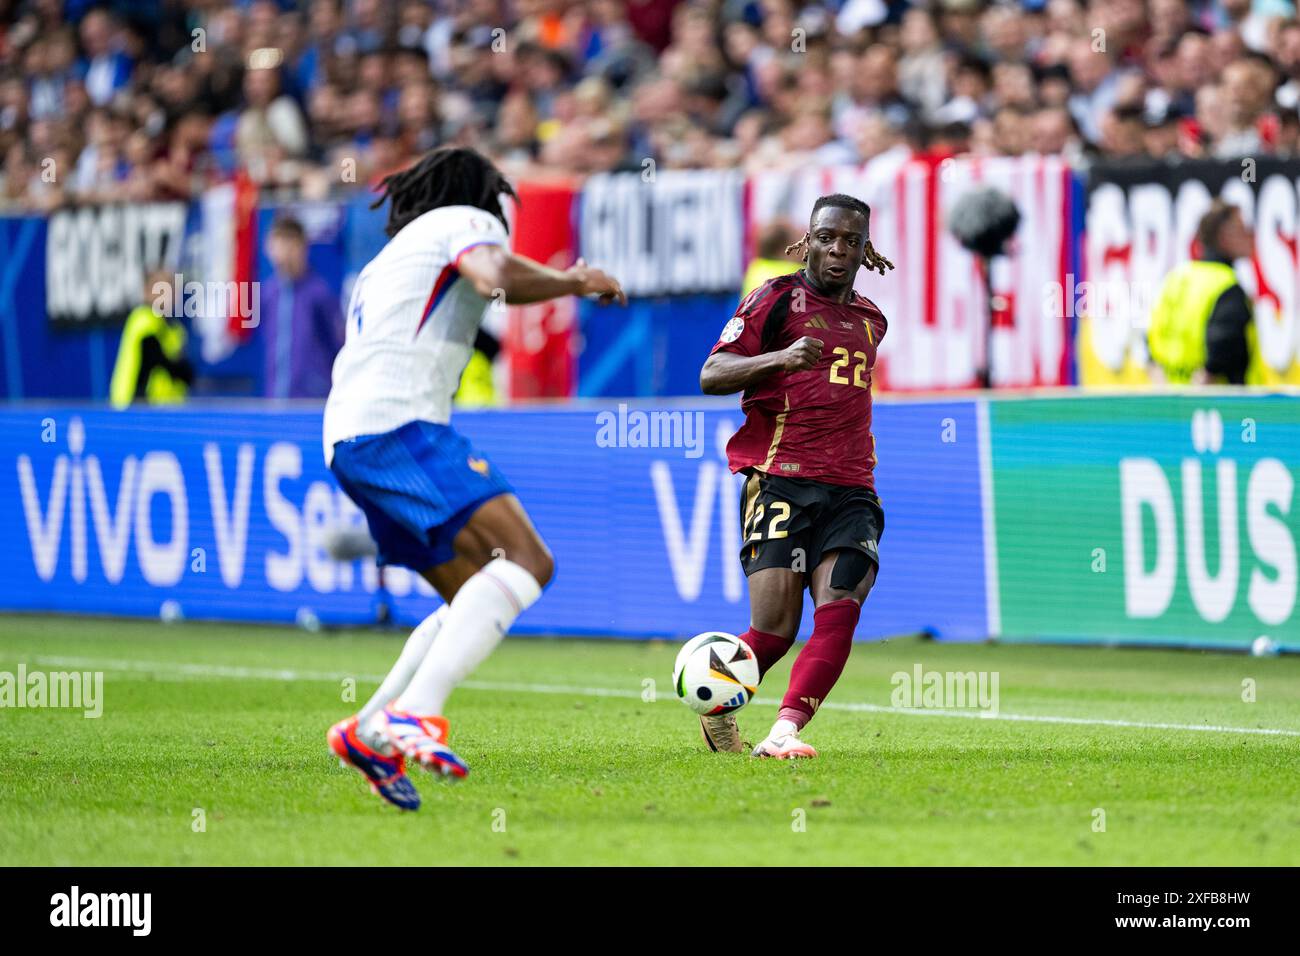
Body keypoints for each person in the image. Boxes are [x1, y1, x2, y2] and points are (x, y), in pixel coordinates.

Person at [324, 146, 624, 809]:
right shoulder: (465, 220)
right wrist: (573, 280)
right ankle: (416, 715)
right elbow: (493, 276)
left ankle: (371, 728)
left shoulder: (390, 257)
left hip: (352, 435)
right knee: (529, 560)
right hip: (398, 427)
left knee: (471, 595)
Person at [698, 193, 893, 759]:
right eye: (827, 236)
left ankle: (784, 732)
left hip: (853, 487)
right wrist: (778, 359)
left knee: (841, 603)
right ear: (808, 240)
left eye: (851, 241)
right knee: (775, 630)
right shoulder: (775, 299)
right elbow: (713, 373)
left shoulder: (872, 319)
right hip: (782, 478)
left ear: (864, 249)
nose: (838, 249)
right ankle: (714, 701)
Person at [1148, 199, 1256, 384]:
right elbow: (1223, 343)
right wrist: (1202, 386)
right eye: (1242, 230)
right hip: (1221, 405)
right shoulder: (1227, 286)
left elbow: (1151, 338)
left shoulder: (1176, 278)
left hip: (1172, 400)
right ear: (1224, 237)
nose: (1250, 236)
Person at [260, 216, 344, 399]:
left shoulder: (320, 293)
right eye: (278, 243)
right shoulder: (268, 293)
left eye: (290, 243)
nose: (284, 252)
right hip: (275, 399)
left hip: (311, 401)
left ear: (303, 247)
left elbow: (337, 346)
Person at [109, 270, 194, 408]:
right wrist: (179, 368)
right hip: (131, 407)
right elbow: (156, 358)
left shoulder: (175, 329)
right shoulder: (142, 319)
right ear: (147, 291)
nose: (166, 295)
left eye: (170, 289)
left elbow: (186, 373)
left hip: (164, 411)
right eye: (160, 289)